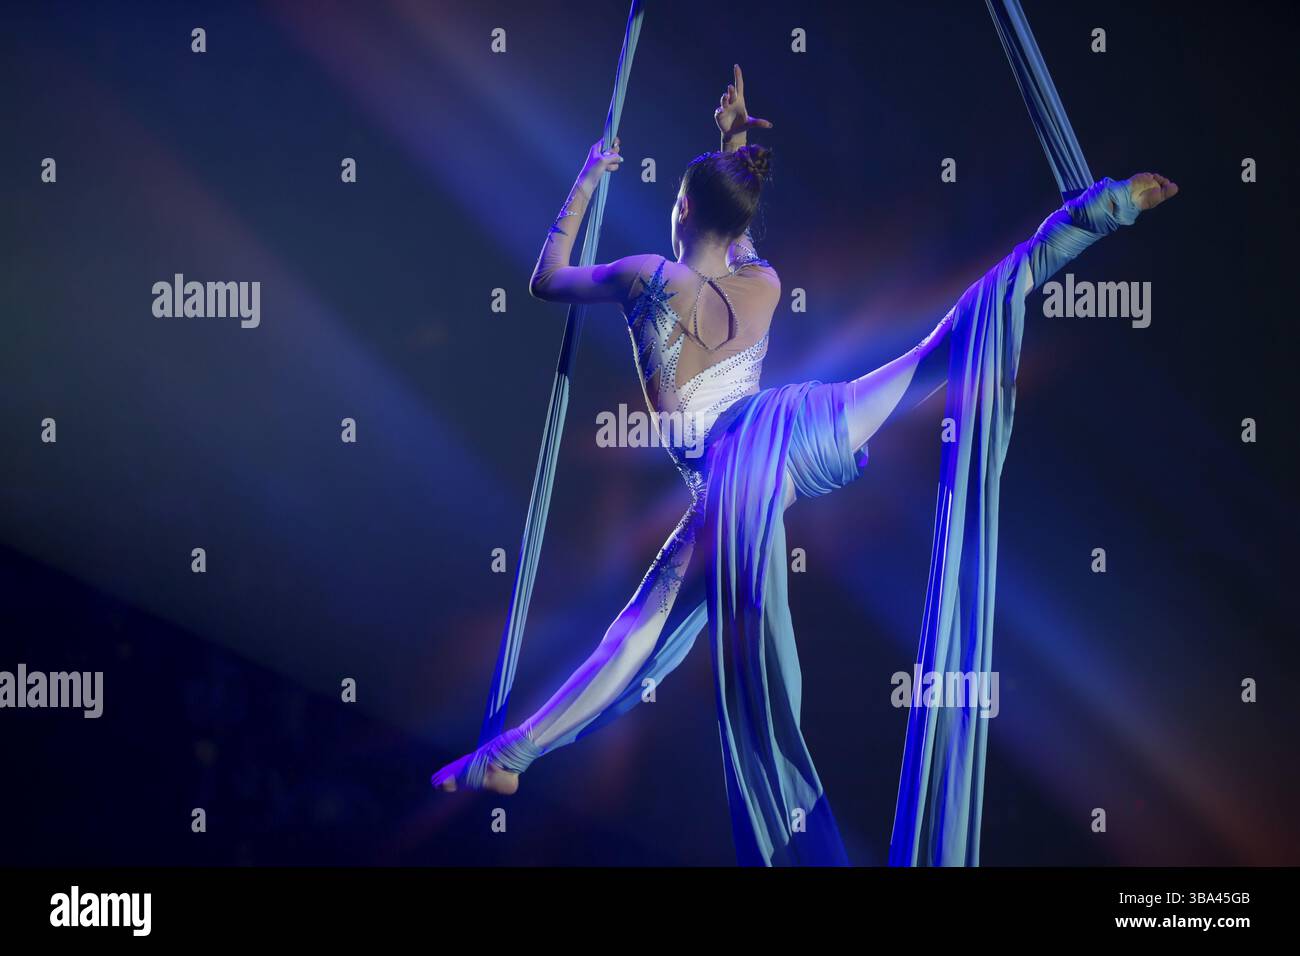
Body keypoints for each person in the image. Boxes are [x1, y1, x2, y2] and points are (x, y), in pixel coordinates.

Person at [432, 64, 1177, 863]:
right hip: (801, 426)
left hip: (736, 473)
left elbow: (545, 278)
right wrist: (729, 145)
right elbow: (733, 223)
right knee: (940, 351)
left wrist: (585, 182)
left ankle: (507, 758)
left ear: (681, 208)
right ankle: (1084, 221)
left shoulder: (646, 276)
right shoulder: (764, 281)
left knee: (637, 635)